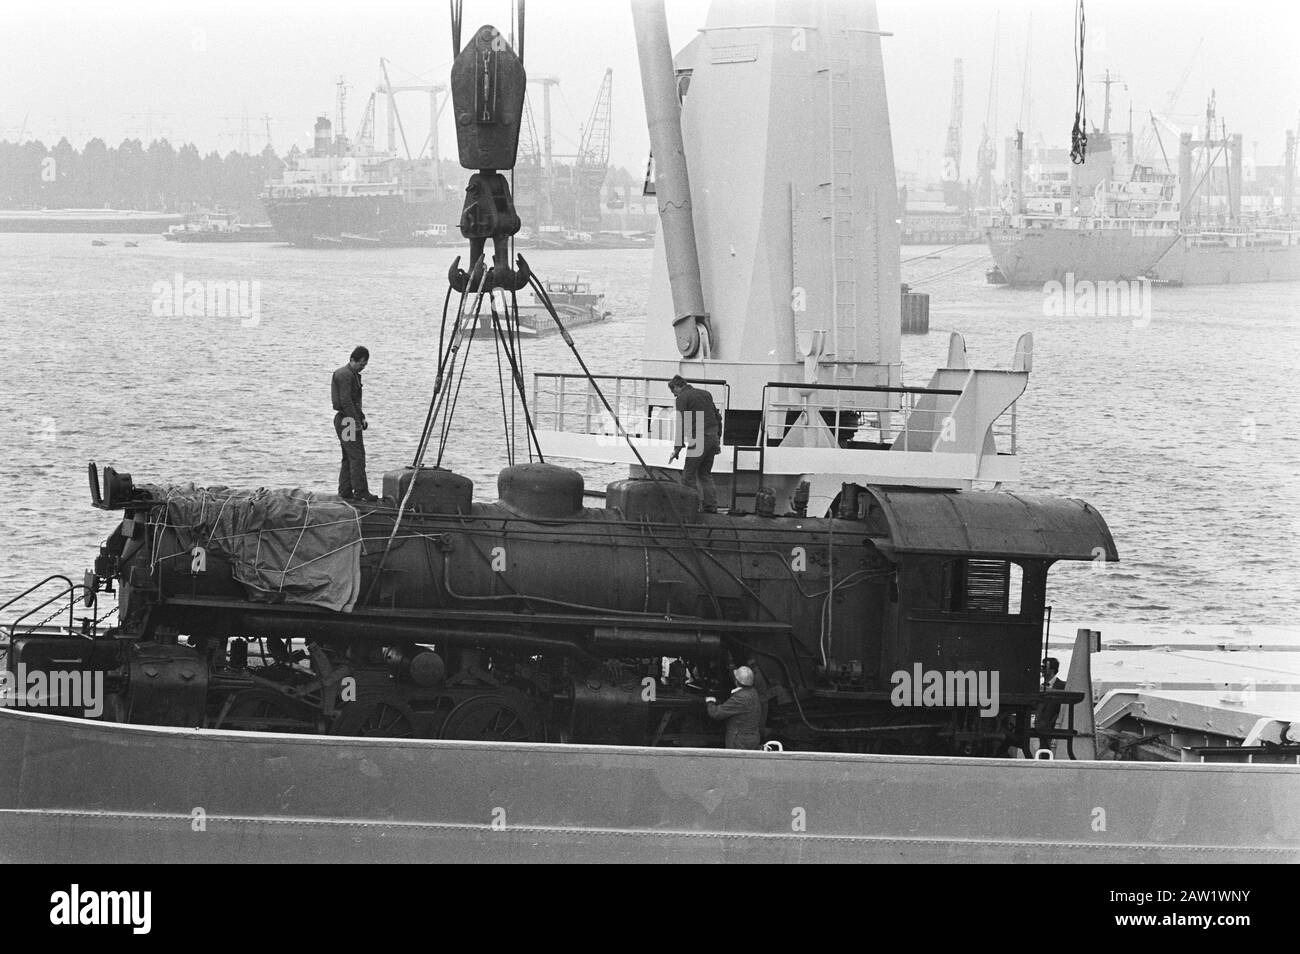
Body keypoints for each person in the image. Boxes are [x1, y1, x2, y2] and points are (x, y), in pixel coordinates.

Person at [667, 375, 722, 513]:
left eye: (673, 392)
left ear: (677, 387)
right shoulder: (706, 394)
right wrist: (717, 439)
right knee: (705, 474)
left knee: (688, 475)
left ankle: (691, 507)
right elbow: (717, 417)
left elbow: (680, 423)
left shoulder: (682, 398)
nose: (674, 396)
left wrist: (677, 448)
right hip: (713, 437)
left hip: (699, 438)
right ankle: (711, 507)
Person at [332, 346, 378, 502]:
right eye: (361, 364)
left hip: (348, 419)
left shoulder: (352, 374)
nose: (363, 367)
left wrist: (362, 417)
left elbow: (354, 402)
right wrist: (356, 421)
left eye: (365, 365)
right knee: (357, 456)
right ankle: (360, 491)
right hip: (347, 421)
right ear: (352, 360)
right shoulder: (345, 375)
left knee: (349, 456)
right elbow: (346, 401)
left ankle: (345, 490)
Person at [706, 666, 763, 750]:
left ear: (736, 681)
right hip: (752, 738)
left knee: (735, 762)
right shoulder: (753, 692)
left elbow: (716, 713)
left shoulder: (740, 698)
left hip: (739, 741)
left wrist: (710, 702)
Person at [1035, 657, 1066, 754]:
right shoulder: (1041, 687)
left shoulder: (1063, 686)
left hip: (1053, 726)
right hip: (1041, 726)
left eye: (1044, 667)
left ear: (1052, 670)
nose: (1041, 670)